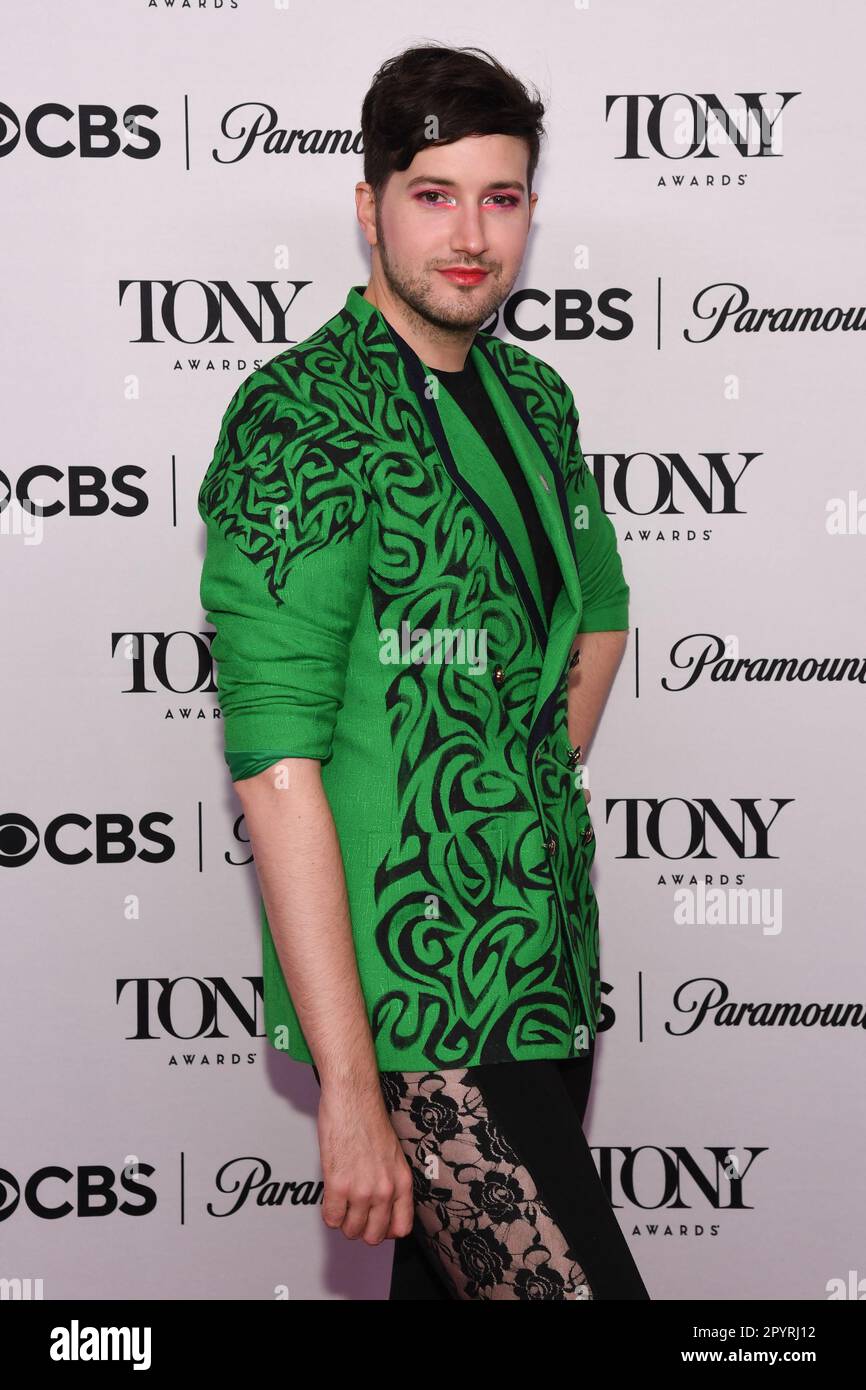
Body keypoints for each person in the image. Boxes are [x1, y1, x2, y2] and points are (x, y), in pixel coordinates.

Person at [198, 41, 648, 1301]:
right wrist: (351, 1086)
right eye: (432, 193)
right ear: (368, 207)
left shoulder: (536, 399)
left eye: (498, 197)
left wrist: (520, 773)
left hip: (545, 973)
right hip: (420, 1011)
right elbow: (276, 763)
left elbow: (599, 609)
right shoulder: (302, 416)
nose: (469, 234)